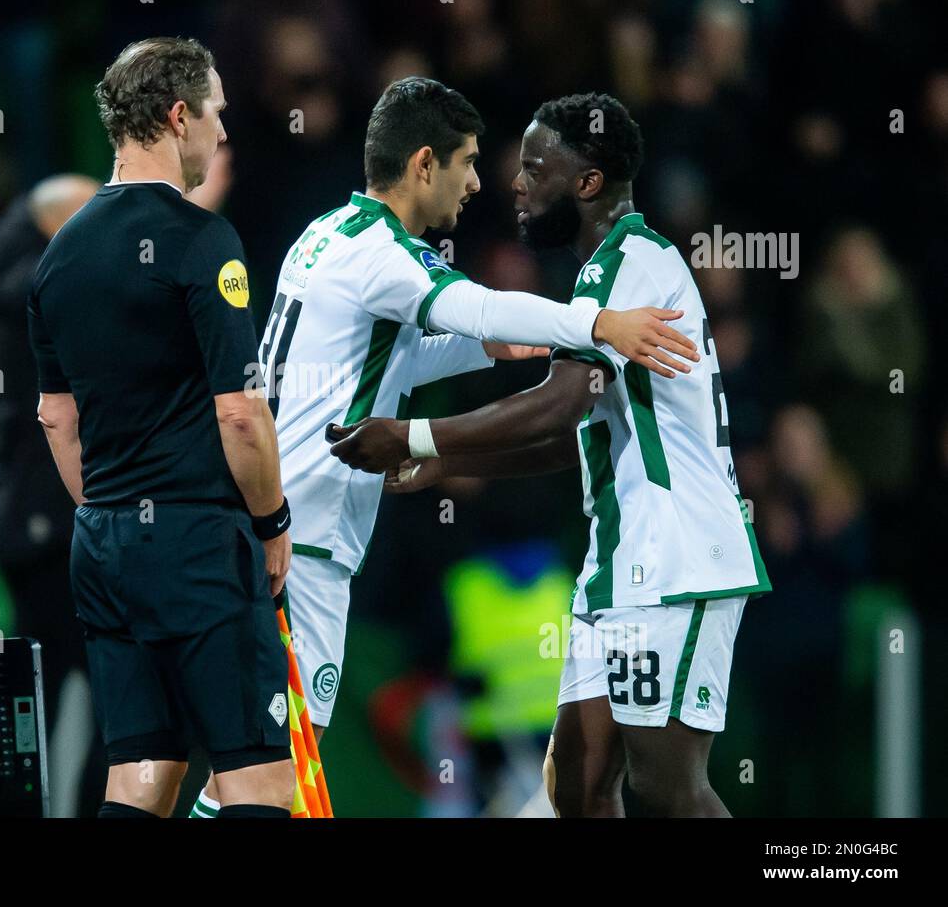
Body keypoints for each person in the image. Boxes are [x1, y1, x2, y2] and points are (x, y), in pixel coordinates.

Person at [190, 76, 699, 817]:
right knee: (270, 778)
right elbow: (471, 302)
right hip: (301, 546)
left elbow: (399, 352)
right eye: (464, 163)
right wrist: (594, 324)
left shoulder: (328, 233)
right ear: (424, 164)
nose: (473, 183)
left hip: (268, 521)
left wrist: (498, 344)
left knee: (252, 773)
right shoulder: (386, 255)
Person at [329, 92, 772, 817]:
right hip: (623, 557)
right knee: (576, 785)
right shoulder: (610, 274)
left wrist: (416, 436)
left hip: (675, 556)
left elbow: (560, 399)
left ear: (589, 183)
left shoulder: (628, 264)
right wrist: (449, 465)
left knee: (667, 785)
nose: (516, 183)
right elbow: (580, 436)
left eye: (536, 168)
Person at [29, 37, 295, 818]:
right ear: (178, 117)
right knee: (257, 779)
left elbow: (56, 416)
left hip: (102, 545)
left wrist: (111, 514)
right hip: (198, 545)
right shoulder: (201, 240)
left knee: (143, 773)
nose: (220, 134)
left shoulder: (62, 253)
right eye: (215, 114)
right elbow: (241, 413)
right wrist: (272, 520)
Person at [0, 172, 105, 816]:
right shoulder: (42, 288)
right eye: (94, 218)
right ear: (56, 227)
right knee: (66, 697)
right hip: (49, 527)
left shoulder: (31, 275)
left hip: (43, 521)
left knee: (75, 698)